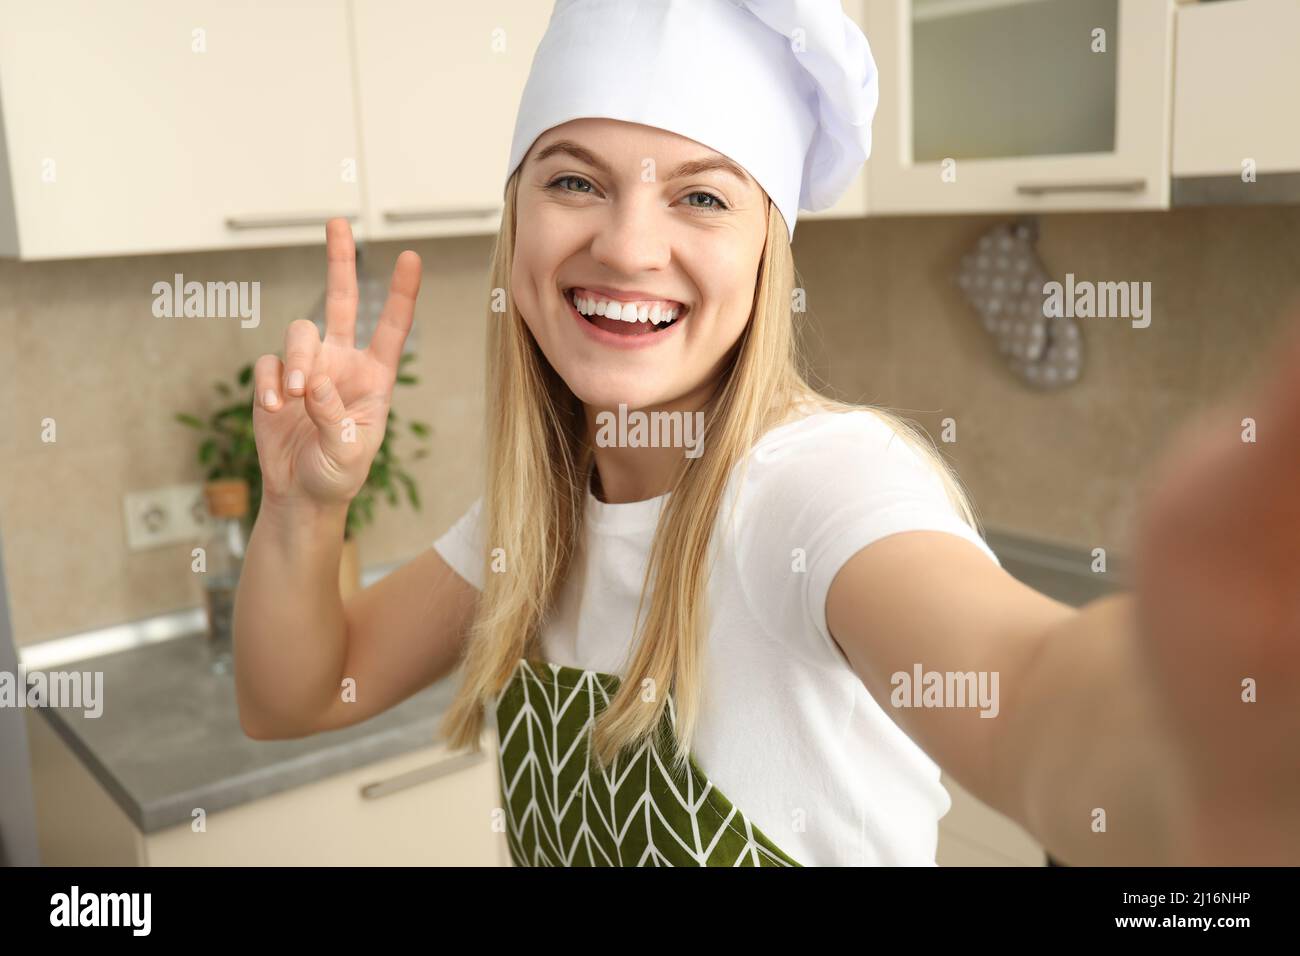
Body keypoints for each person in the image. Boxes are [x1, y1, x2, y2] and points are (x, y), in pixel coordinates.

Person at [234, 0, 1300, 866]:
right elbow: (297, 693)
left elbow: (1025, 686)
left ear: (763, 257)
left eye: (701, 197)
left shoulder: (816, 488)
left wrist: (1235, 692)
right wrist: (304, 502)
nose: (628, 243)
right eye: (573, 179)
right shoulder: (538, 516)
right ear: (518, 223)